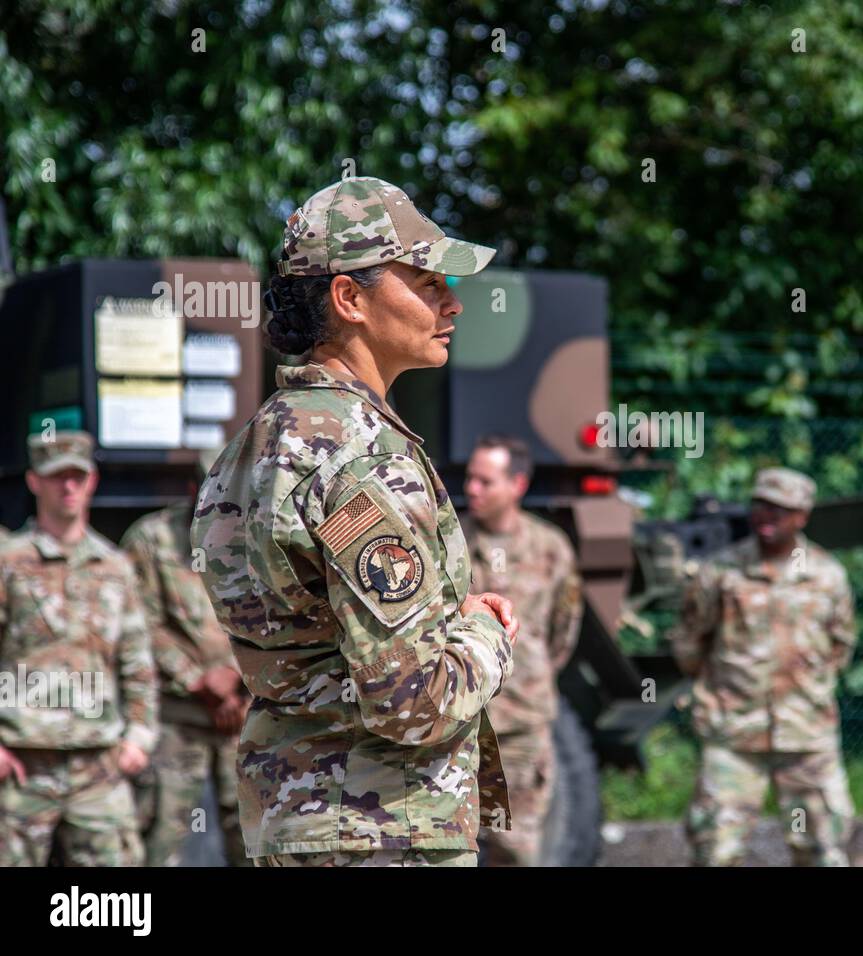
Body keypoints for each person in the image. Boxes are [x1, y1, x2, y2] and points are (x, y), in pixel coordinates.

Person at [191, 176, 519, 868]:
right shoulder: (361, 458)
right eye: (425, 282)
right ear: (349, 298)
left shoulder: (254, 444)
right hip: (383, 830)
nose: (451, 301)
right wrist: (488, 630)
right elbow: (413, 702)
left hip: (296, 819)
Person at [670, 467, 857, 866]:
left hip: (806, 736)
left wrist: (805, 688)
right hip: (733, 735)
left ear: (801, 516)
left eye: (779, 510)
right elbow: (689, 642)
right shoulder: (719, 573)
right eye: (760, 507)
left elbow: (841, 645)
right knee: (714, 850)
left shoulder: (827, 575)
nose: (766, 518)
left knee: (822, 849)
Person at [0, 430, 158, 866]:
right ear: (33, 481)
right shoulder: (9, 562)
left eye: (76, 476)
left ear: (92, 481)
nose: (67, 487)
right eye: (56, 477)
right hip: (22, 765)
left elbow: (137, 661)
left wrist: (138, 740)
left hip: (99, 765)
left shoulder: (115, 567)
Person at [121, 448, 249, 866]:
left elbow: (285, 616)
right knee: (160, 840)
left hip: (246, 716)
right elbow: (137, 625)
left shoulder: (263, 537)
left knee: (256, 841)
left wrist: (236, 677)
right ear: (194, 488)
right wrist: (196, 679)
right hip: (177, 719)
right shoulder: (152, 539)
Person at [461, 435, 583, 866]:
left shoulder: (551, 549)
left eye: (485, 481)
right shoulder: (449, 543)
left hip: (520, 725)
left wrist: (526, 674)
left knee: (515, 848)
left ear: (517, 484)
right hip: (456, 721)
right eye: (470, 479)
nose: (472, 489)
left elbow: (562, 634)